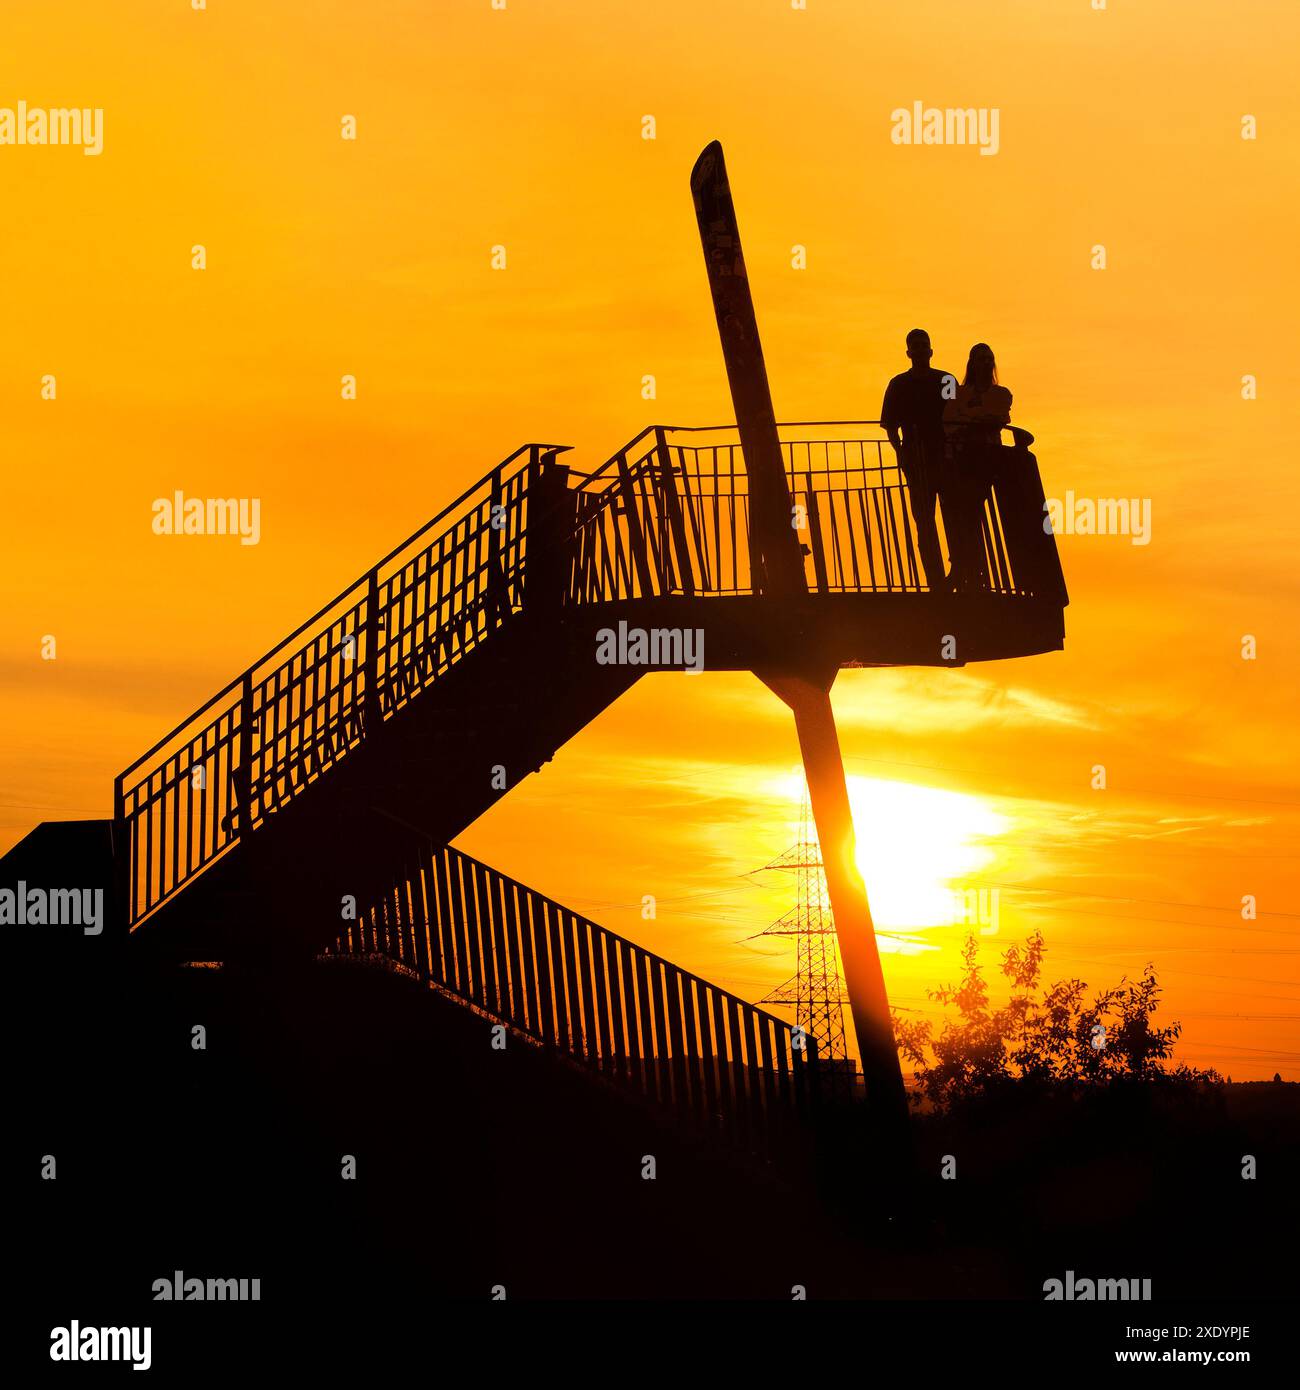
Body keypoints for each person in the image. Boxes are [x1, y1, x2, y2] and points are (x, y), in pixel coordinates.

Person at [880, 328, 953, 589]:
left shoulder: (945, 381)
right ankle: (935, 578)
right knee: (924, 520)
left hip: (946, 458)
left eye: (925, 345)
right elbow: (890, 426)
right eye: (917, 346)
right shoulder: (899, 384)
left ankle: (957, 571)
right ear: (909, 352)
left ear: (931, 350)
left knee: (953, 517)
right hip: (916, 460)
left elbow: (957, 417)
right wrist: (901, 453)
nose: (921, 350)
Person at [943, 343, 1012, 591]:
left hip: (986, 461)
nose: (983, 363)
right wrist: (977, 419)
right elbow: (950, 420)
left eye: (988, 359)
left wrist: (970, 418)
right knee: (960, 517)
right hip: (961, 461)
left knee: (970, 514)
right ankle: (966, 567)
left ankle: (969, 568)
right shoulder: (958, 392)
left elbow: (998, 417)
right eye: (979, 359)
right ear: (971, 363)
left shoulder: (1002, 393)